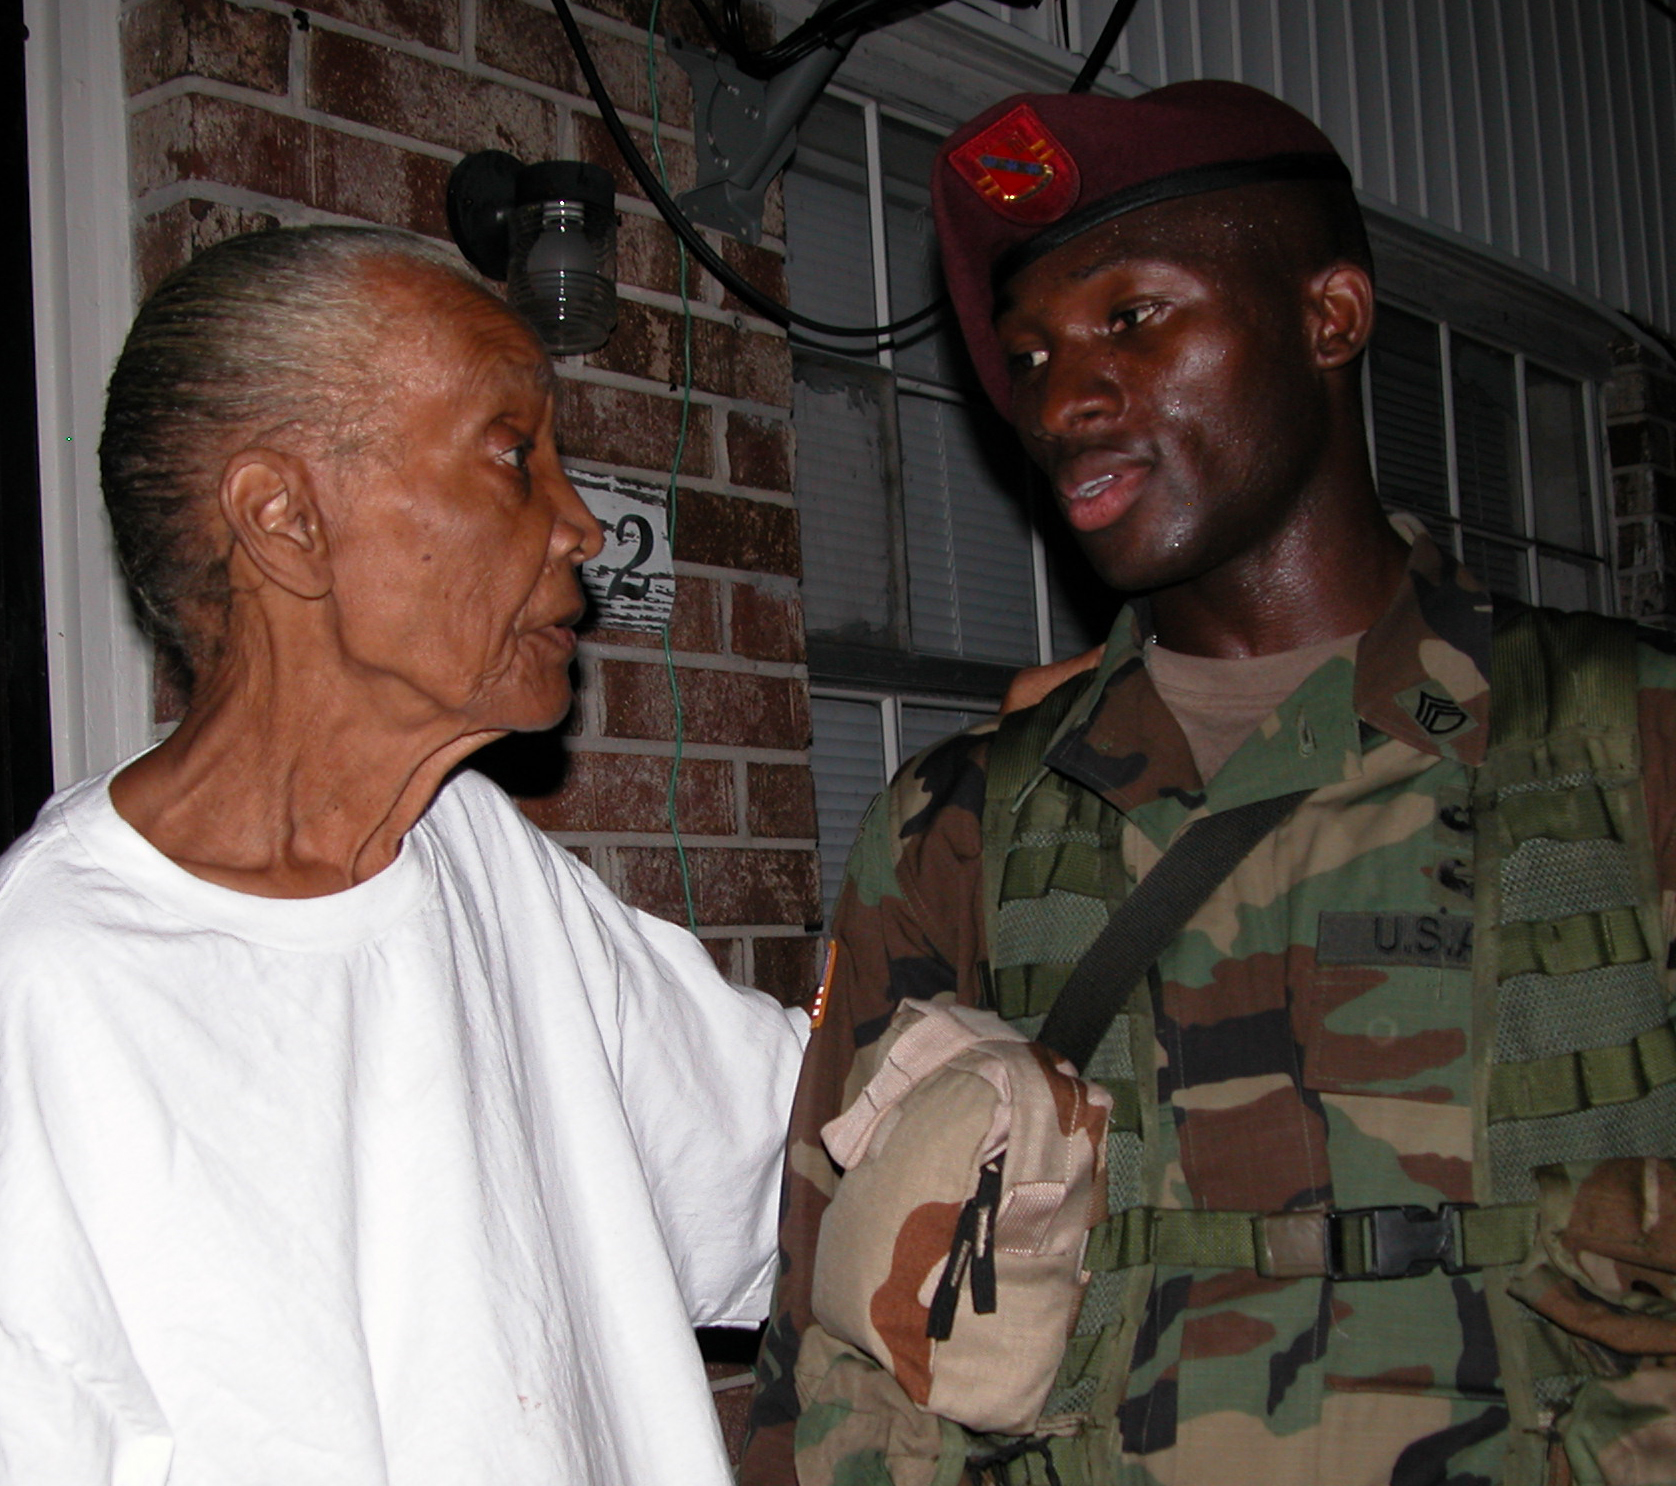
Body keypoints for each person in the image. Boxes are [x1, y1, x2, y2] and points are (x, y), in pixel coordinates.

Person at [742, 82, 1676, 1486]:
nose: (1063, 399)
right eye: (1033, 351)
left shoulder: (1625, 737)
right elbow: (828, 1332)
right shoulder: (962, 824)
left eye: (1135, 317)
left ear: (1329, 318)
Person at [0, 226, 806, 1486]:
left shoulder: (481, 856)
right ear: (286, 520)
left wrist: (979, 832)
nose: (582, 526)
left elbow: (783, 1153)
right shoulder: (45, 985)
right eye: (512, 455)